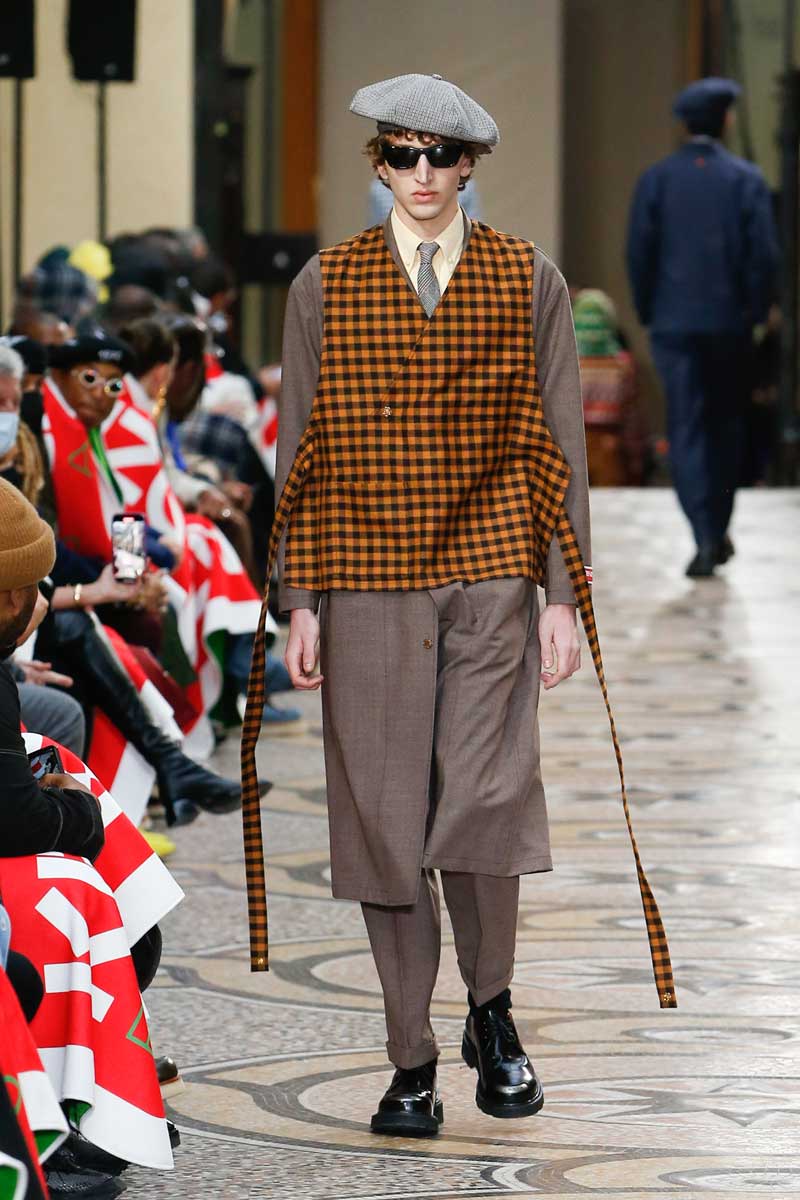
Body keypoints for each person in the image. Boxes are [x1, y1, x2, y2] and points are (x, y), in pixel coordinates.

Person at [250, 73, 596, 1135]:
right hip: (364, 574)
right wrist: (299, 597)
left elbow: (558, 441)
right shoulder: (325, 283)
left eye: (440, 156)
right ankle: (411, 1057)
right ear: (380, 164)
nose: (421, 174)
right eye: (401, 154)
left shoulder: (526, 277)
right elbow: (300, 445)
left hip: (490, 568)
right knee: (383, 819)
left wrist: (562, 591)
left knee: (485, 797)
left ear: (467, 165)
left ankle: (491, 1010)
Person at [626, 76, 779, 577]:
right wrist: (757, 312)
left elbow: (639, 252)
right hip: (730, 324)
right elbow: (763, 256)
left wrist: (649, 310)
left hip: (674, 323)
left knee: (687, 427)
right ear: (727, 120)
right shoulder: (745, 179)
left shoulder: (657, 179)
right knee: (726, 425)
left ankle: (703, 533)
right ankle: (716, 528)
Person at [572, 290, 648, 486]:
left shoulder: (563, 364)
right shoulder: (622, 365)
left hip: (570, 455)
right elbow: (631, 419)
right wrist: (637, 463)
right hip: (610, 453)